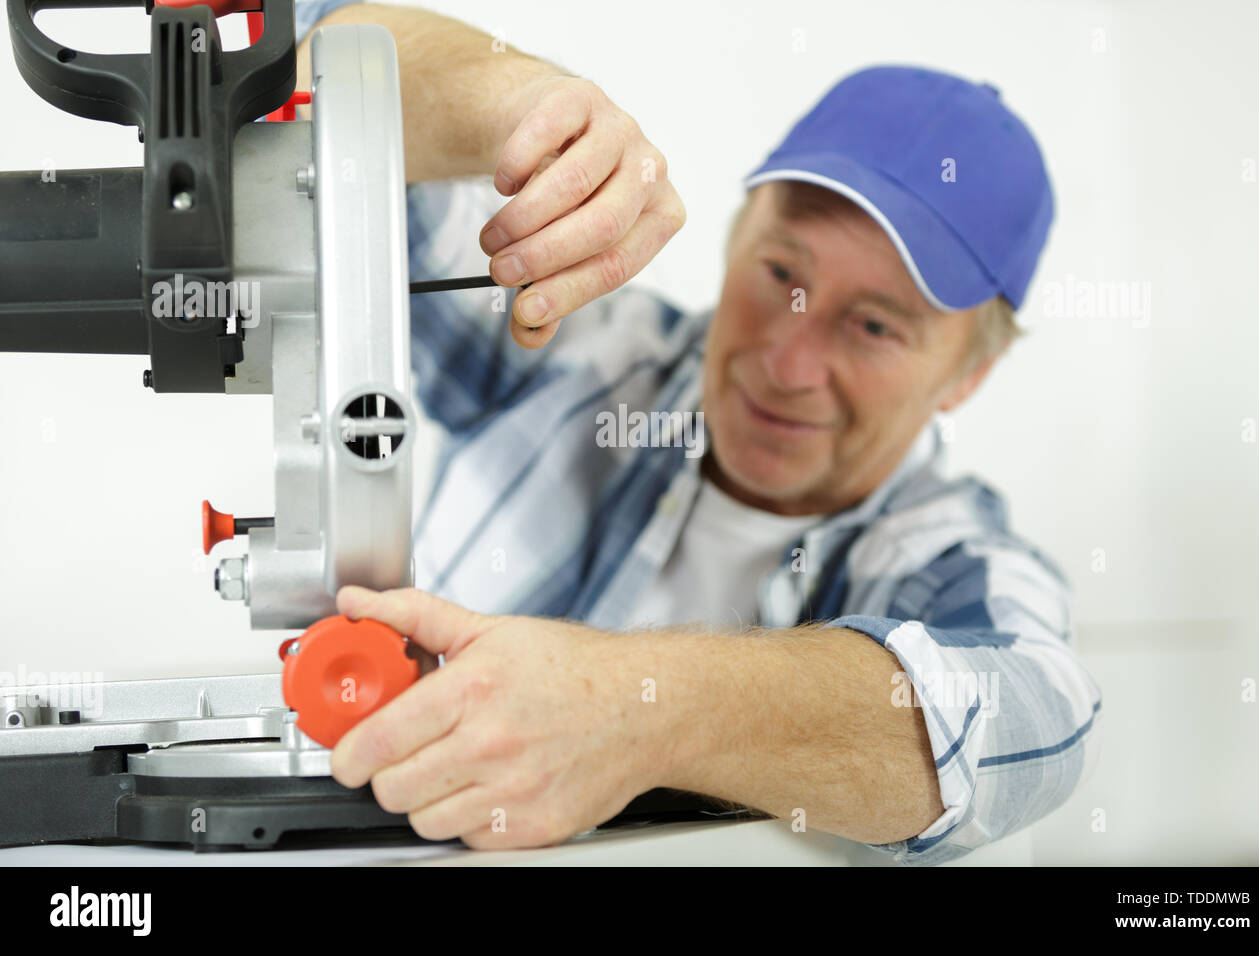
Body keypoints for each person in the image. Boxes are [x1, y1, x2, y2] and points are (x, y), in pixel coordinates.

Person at [292, 0, 1102, 864]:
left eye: (874, 326)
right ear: (734, 239)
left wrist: (635, 709)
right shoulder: (578, 352)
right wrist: (525, 107)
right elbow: (317, 68)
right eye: (781, 272)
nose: (787, 363)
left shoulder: (946, 557)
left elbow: (1033, 722)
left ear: (968, 375)